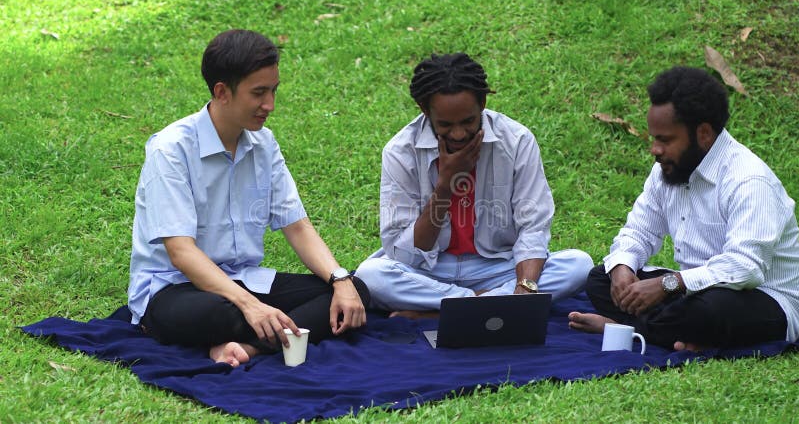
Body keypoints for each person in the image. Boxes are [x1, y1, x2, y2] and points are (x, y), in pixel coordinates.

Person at [127, 29, 369, 367]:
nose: (269, 105)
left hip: (243, 280)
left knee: (354, 293)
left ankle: (246, 348)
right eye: (259, 93)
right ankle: (256, 333)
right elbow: (181, 252)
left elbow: (297, 226)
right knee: (216, 314)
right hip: (175, 289)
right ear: (222, 92)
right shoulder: (171, 150)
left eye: (273, 91)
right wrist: (249, 305)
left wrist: (340, 279)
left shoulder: (264, 144)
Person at [568, 66, 799, 350]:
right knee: (601, 278)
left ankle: (626, 330)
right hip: (693, 289)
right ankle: (676, 334)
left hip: (762, 298)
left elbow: (745, 268)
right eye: (654, 138)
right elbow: (638, 232)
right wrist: (622, 267)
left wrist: (668, 283)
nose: (654, 149)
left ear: (703, 134)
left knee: (707, 311)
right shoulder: (668, 169)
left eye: (665, 140)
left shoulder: (749, 180)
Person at [355, 53, 593, 317]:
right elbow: (407, 253)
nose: (458, 134)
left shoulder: (517, 141)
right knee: (370, 276)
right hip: (431, 269)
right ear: (425, 110)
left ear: (483, 103)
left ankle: (437, 312)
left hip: (496, 265)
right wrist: (445, 185)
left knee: (578, 265)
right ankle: (486, 306)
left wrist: (525, 288)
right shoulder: (400, 151)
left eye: (468, 121)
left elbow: (533, 228)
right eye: (445, 125)